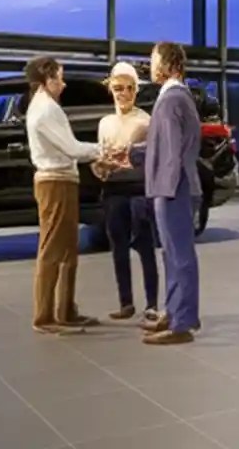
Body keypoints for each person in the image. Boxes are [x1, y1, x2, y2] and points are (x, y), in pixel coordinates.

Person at [118, 42, 202, 346]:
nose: (150, 65)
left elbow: (171, 153)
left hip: (173, 187)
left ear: (170, 65)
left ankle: (182, 323)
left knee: (179, 256)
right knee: (172, 255)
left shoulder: (171, 100)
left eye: (154, 60)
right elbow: (164, 145)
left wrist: (161, 190)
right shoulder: (174, 97)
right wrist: (132, 153)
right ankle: (174, 312)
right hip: (174, 186)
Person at [23, 55, 104, 335]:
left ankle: (66, 311)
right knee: (52, 248)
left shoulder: (47, 107)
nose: (64, 83)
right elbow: (70, 148)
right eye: (59, 77)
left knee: (68, 248)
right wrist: (102, 149)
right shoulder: (44, 110)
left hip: (64, 181)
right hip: (54, 182)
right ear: (46, 80)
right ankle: (44, 316)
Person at [92, 62, 159, 323]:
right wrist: (100, 168)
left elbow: (151, 158)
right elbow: (100, 157)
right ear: (111, 90)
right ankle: (126, 302)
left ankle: (152, 303)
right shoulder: (105, 123)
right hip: (113, 190)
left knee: (144, 246)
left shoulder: (145, 121)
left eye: (128, 88)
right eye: (118, 88)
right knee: (118, 246)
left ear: (136, 90)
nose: (123, 94)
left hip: (138, 189)